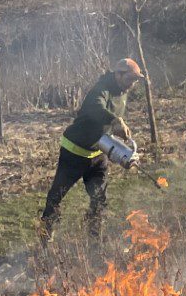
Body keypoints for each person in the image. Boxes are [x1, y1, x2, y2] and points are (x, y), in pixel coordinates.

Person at [37, 58, 146, 243]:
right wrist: (115, 120)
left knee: (99, 199)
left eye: (135, 81)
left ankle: (94, 239)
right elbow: (94, 108)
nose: (132, 84)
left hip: (98, 154)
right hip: (74, 152)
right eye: (130, 79)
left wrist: (121, 148)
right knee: (57, 196)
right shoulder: (100, 89)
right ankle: (46, 236)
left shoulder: (123, 91)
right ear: (118, 75)